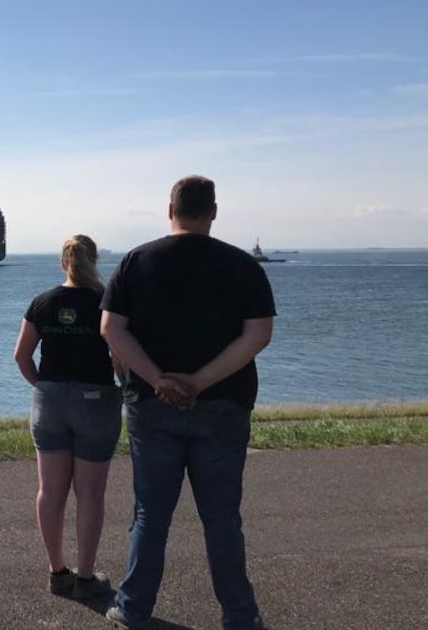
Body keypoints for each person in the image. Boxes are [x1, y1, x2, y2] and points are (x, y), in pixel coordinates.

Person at [100, 175, 274, 630]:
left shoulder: (136, 261)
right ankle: (239, 616)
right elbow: (258, 335)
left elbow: (111, 330)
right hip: (224, 408)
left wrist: (160, 379)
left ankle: (133, 608)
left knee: (149, 515)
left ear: (169, 210)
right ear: (213, 211)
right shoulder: (243, 266)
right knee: (221, 520)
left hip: (151, 408)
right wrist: (199, 382)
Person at [13, 234, 121, 601]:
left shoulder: (42, 303)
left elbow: (21, 356)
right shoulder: (106, 302)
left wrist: (44, 387)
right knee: (89, 492)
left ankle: (57, 572)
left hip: (50, 401)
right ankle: (86, 578)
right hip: (96, 400)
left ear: (63, 263)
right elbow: (120, 358)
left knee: (50, 490)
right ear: (94, 262)